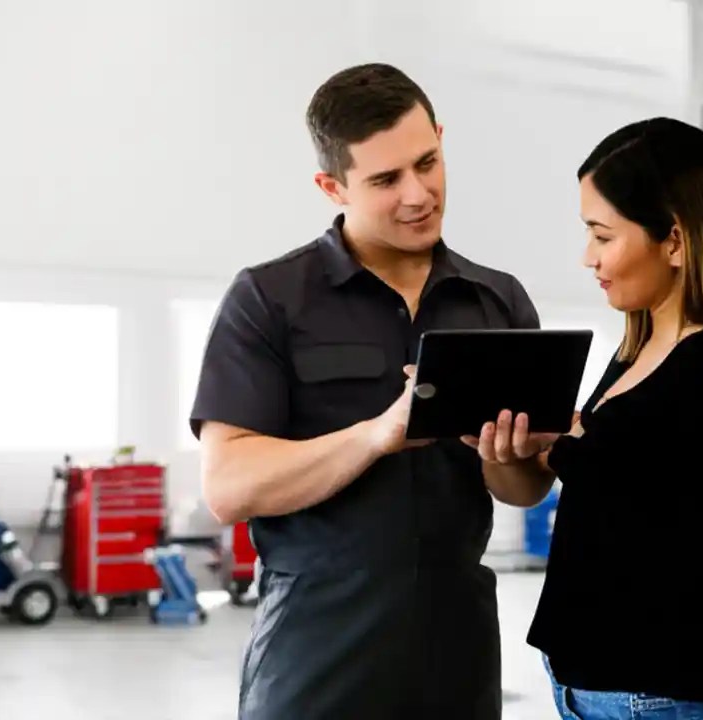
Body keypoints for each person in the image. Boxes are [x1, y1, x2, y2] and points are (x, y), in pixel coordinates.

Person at [190, 63, 549, 719]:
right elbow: (229, 487)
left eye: (428, 162)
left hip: (458, 651)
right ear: (333, 187)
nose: (419, 194)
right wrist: (378, 435)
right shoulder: (268, 300)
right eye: (386, 180)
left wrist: (508, 453)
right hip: (316, 651)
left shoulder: (498, 301)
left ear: (440, 138)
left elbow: (524, 490)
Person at [465, 118, 703, 719]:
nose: (589, 258)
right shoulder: (634, 354)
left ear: (676, 241)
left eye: (602, 236)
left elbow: (631, 481)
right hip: (602, 691)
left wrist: (555, 440)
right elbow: (569, 478)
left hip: (663, 697)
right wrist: (499, 443)